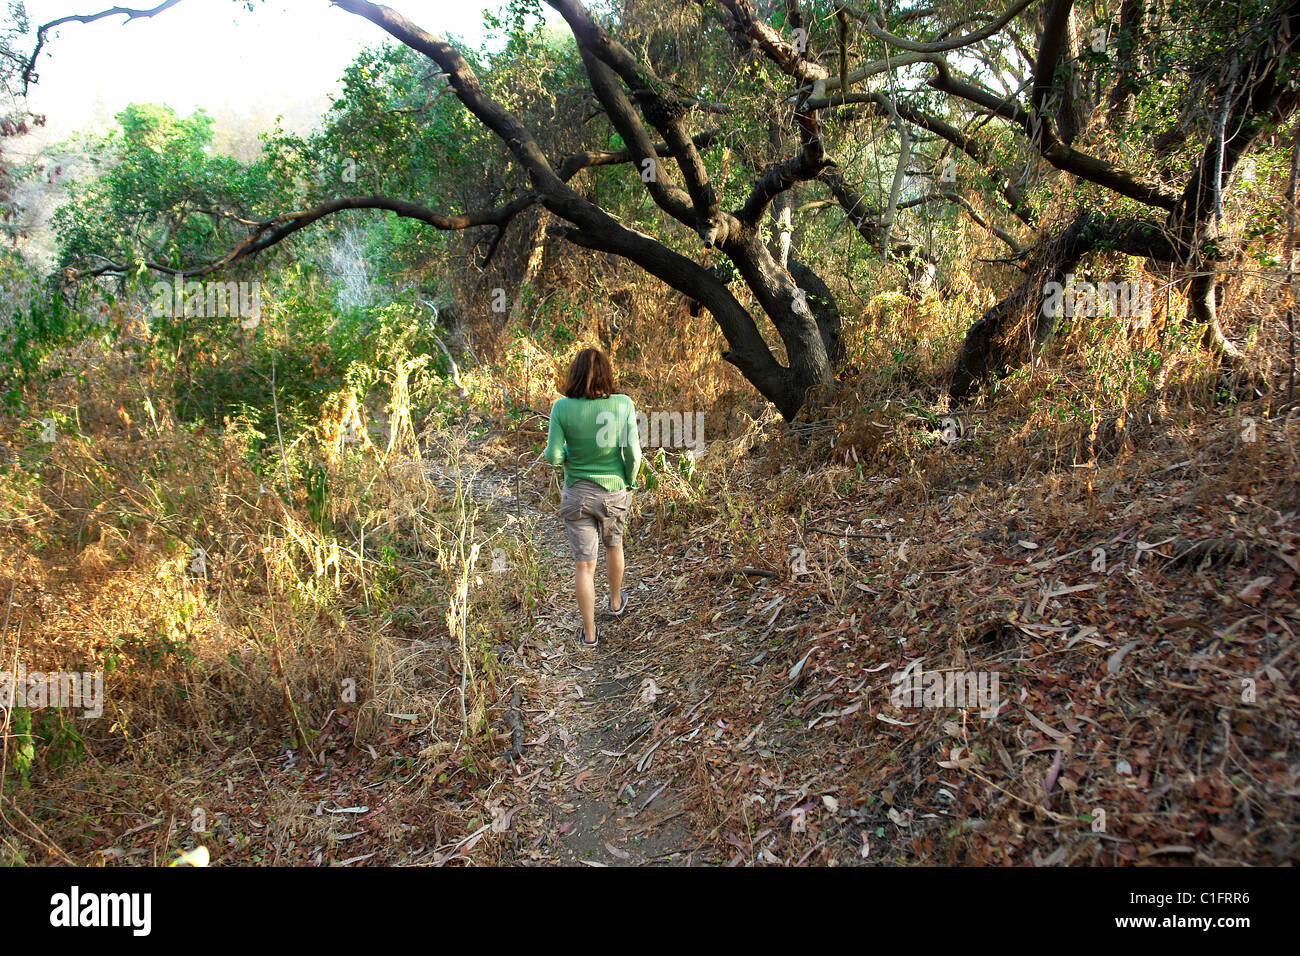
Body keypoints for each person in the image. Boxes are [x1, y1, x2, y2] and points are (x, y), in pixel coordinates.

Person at [543, 348, 641, 648]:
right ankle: (614, 601)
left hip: (578, 495)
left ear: (574, 374)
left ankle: (589, 633)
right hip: (614, 491)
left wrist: (573, 454)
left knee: (584, 566)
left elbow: (554, 457)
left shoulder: (561, 408)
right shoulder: (623, 404)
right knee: (614, 546)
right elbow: (634, 454)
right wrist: (629, 482)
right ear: (606, 373)